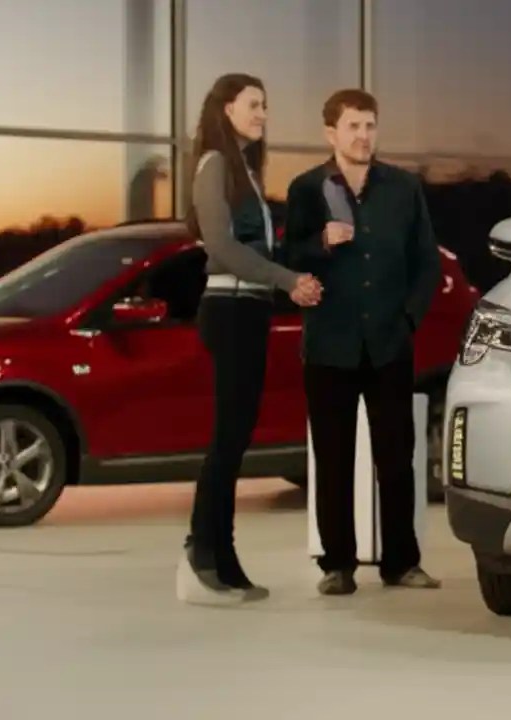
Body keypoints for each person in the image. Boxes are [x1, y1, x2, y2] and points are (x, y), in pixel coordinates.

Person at [283, 89, 442, 596]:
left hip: (390, 344)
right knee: (332, 461)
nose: (364, 135)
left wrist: (409, 319)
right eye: (353, 126)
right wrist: (321, 243)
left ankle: (401, 562)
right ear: (331, 133)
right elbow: (288, 258)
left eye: (370, 125)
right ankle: (338, 566)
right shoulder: (307, 188)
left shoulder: (403, 188)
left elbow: (427, 263)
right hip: (329, 344)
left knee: (396, 458)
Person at [178, 73, 323, 606]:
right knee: (226, 441)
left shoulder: (245, 172)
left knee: (236, 441)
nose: (263, 114)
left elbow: (259, 250)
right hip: (229, 309)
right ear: (226, 110)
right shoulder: (215, 165)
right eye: (254, 105)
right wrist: (288, 281)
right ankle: (200, 556)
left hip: (251, 310)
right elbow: (221, 247)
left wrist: (304, 262)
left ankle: (224, 558)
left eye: (266, 104)